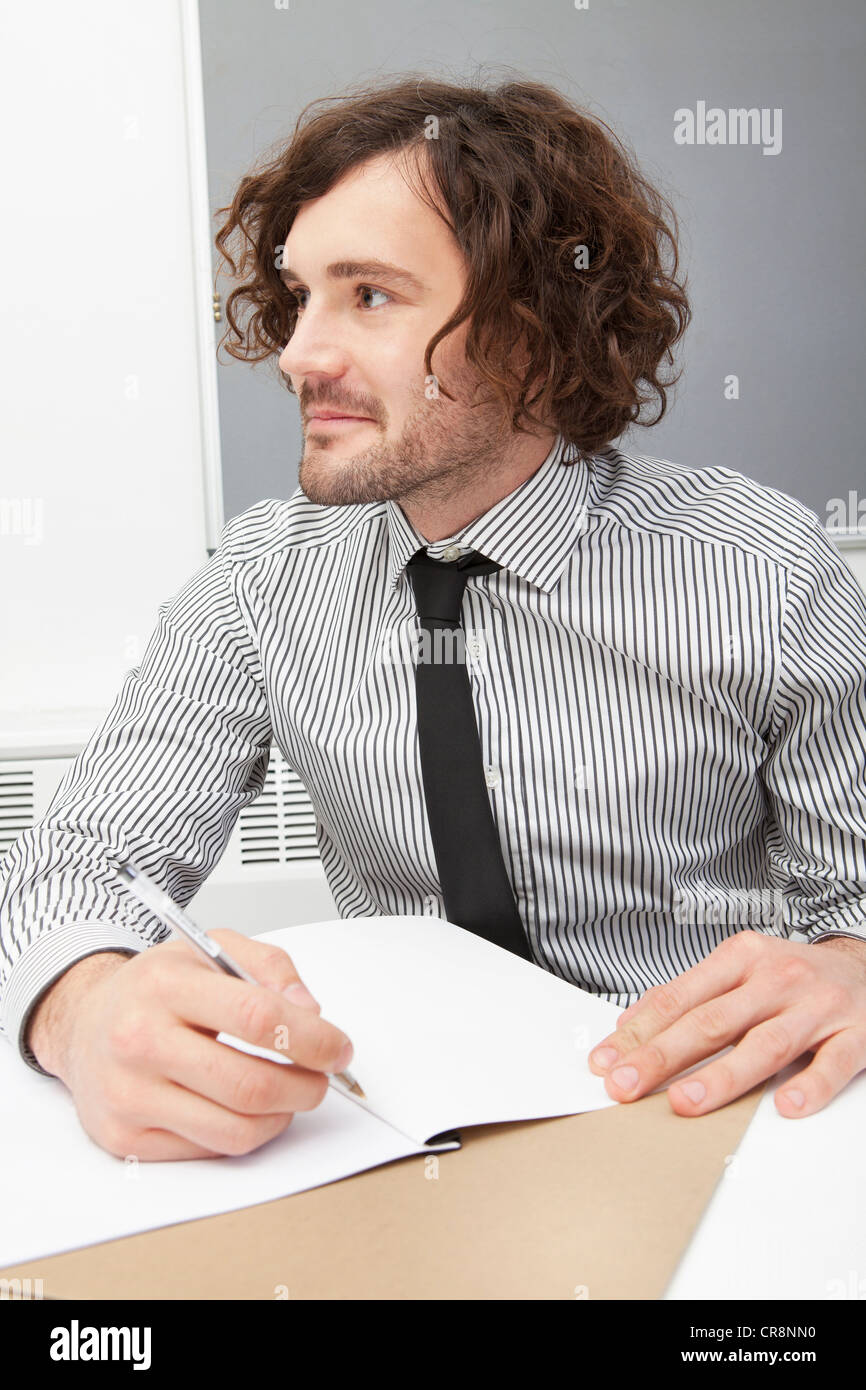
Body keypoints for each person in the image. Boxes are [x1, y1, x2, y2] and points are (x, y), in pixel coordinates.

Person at [2, 76, 865, 1163]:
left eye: (368, 296)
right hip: (389, 1143)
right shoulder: (257, 582)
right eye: (302, 295)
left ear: (531, 332)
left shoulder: (764, 570)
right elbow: (74, 865)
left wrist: (850, 968)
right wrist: (85, 1011)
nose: (299, 355)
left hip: (705, 1127)